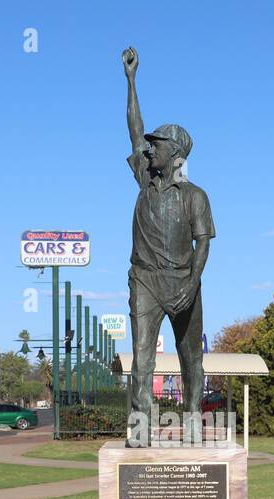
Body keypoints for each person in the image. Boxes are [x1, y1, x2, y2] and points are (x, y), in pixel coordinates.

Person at [122, 46, 215, 444]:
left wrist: (190, 285)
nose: (148, 148)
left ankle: (193, 415)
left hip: (184, 280)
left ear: (174, 154)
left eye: (156, 145)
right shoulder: (145, 178)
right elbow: (133, 125)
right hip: (145, 280)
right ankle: (140, 426)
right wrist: (131, 80)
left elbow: (204, 244)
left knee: (190, 355)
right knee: (142, 357)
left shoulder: (195, 196)